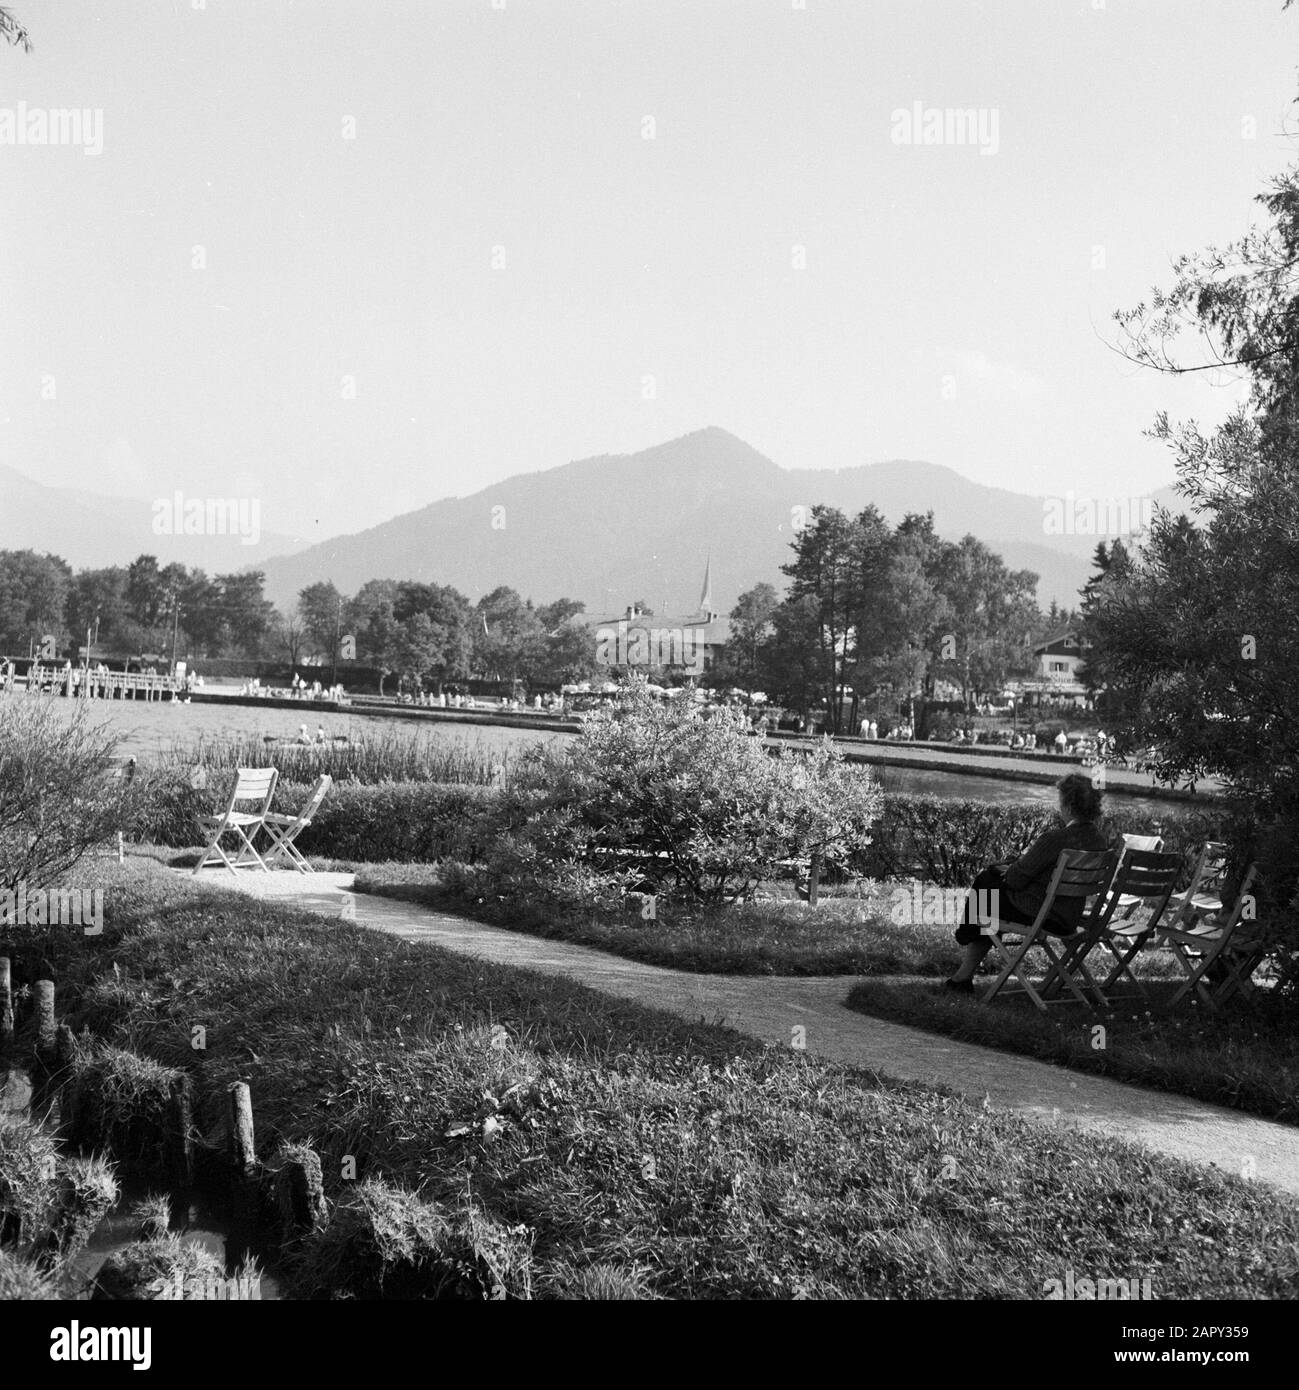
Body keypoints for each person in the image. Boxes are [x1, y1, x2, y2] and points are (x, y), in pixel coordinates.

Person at [944, 772, 1109, 992]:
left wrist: (1010, 868)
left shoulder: (1054, 839)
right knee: (988, 892)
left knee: (986, 885)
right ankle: (962, 976)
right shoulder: (1099, 840)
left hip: (1043, 914)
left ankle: (965, 943)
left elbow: (1015, 880)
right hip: (1068, 916)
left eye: (1060, 801)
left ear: (1069, 807)